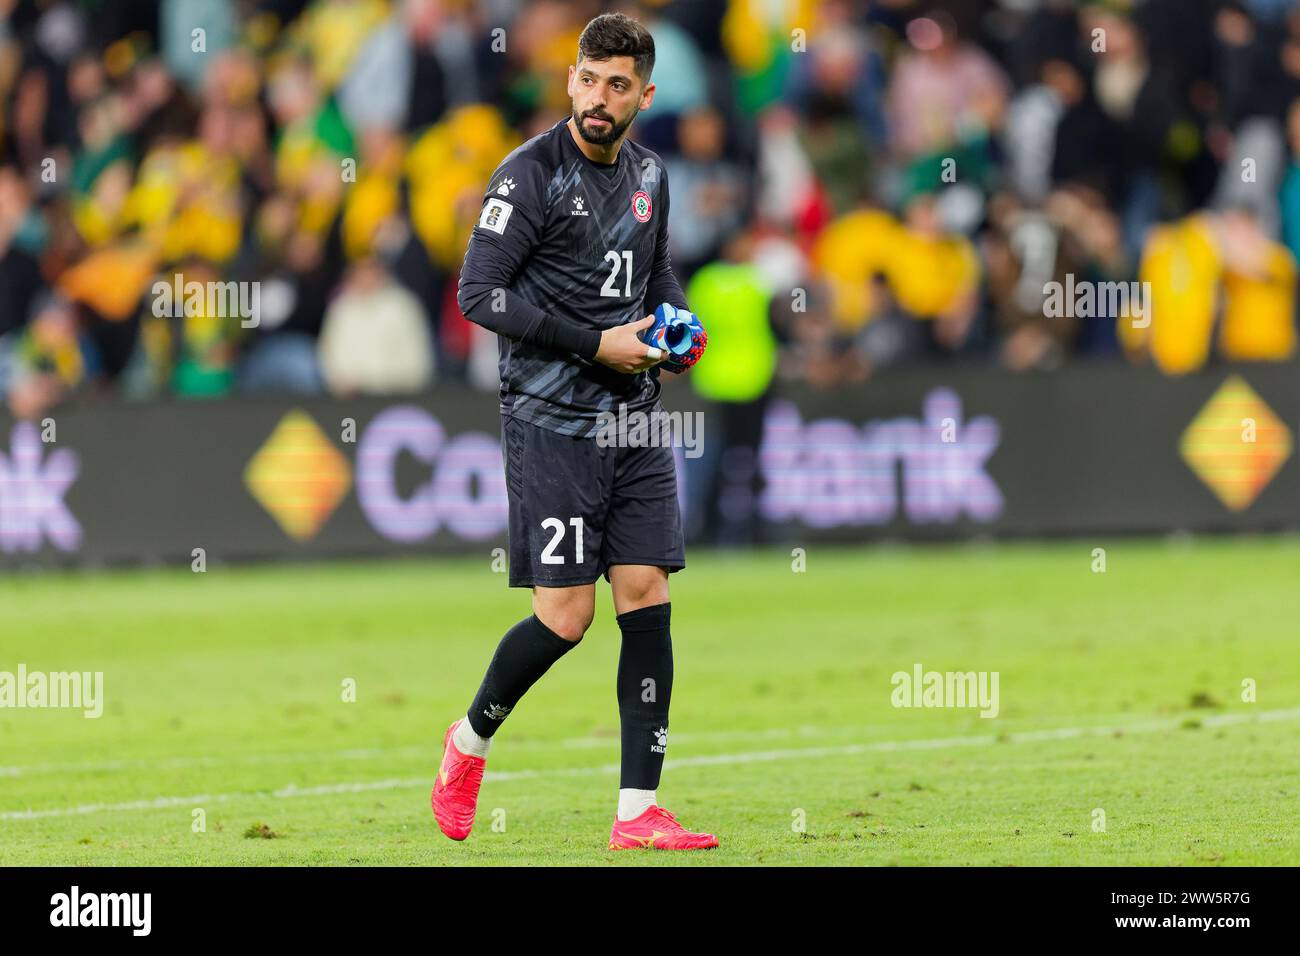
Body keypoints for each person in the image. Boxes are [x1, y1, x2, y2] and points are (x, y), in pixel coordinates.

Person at [435, 12, 717, 851]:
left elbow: (653, 267)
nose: (600, 98)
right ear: (570, 80)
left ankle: (638, 813)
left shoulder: (652, 176)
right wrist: (600, 343)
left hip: (631, 422)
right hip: (551, 423)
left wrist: (676, 322)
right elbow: (477, 294)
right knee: (565, 618)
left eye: (618, 85)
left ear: (646, 94)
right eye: (588, 80)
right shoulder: (526, 179)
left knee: (648, 599)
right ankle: (467, 742)